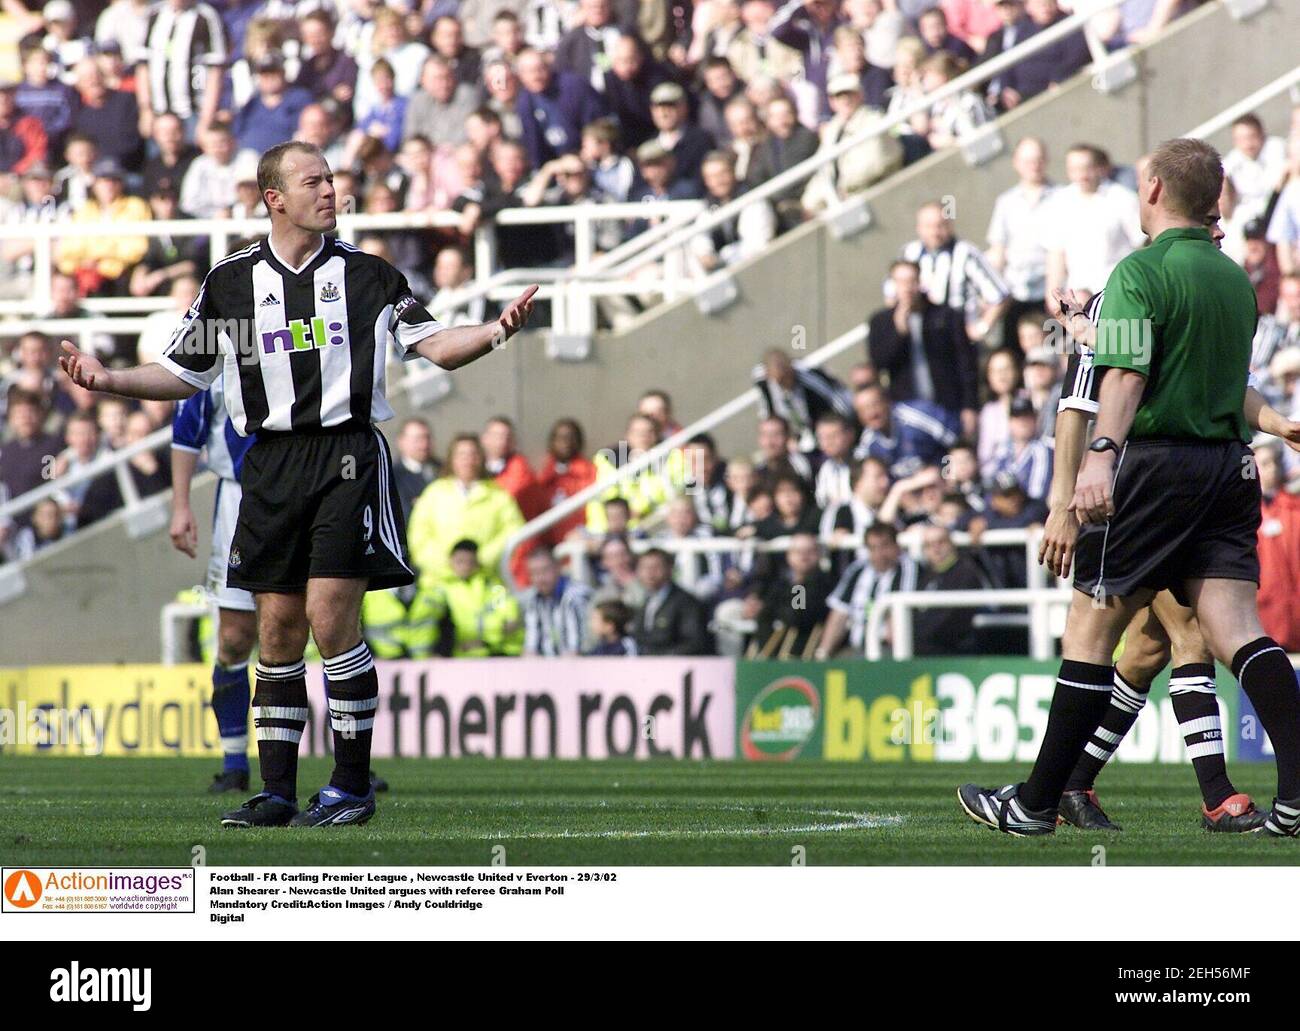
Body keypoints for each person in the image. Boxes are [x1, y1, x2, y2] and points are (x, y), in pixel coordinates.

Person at [59, 138, 537, 829]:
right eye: (314, 181)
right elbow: (183, 373)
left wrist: (494, 331)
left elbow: (436, 345)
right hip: (270, 463)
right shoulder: (230, 282)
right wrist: (109, 382)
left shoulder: (371, 276)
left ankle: (349, 784)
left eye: (332, 179)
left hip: (346, 458)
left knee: (329, 617)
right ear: (273, 197)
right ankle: (276, 791)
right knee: (276, 629)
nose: (330, 191)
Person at [960, 138, 1300, 838]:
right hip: (1229, 467)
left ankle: (1034, 803)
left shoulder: (1138, 271)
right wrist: (1276, 422)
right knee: (1239, 633)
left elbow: (1120, 378)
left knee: (1091, 629)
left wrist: (1101, 458)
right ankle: (1293, 797)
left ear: (1151, 190)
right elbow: (1228, 384)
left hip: (1153, 468)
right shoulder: (1234, 279)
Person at [169, 377, 258, 793]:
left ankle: (350, 765)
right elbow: (187, 428)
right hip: (240, 501)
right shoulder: (219, 337)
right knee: (236, 638)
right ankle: (235, 761)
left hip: (307, 492)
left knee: (328, 624)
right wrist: (181, 505)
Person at [868, 259, 978, 427]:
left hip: (947, 406)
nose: (907, 287)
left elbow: (965, 363)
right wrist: (899, 333)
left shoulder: (945, 316)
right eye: (901, 282)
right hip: (908, 411)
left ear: (919, 282)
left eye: (911, 281)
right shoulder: (881, 321)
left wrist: (970, 406)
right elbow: (879, 363)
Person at [815, 520, 920, 658]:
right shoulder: (857, 570)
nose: (879, 554)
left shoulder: (908, 568)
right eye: (873, 548)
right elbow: (839, 612)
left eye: (885, 546)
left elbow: (897, 616)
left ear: (897, 546)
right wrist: (823, 653)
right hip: (855, 647)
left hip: (888, 649)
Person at [632, 547, 712, 656]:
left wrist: (659, 659)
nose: (649, 573)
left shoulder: (687, 603)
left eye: (656, 567)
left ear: (670, 568)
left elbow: (694, 643)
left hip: (675, 667)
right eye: (644, 567)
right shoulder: (641, 600)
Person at [520, 546, 592, 656]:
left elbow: (576, 651)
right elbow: (530, 648)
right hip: (548, 667)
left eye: (545, 570)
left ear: (558, 568)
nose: (540, 578)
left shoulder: (575, 596)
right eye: (534, 573)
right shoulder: (533, 599)